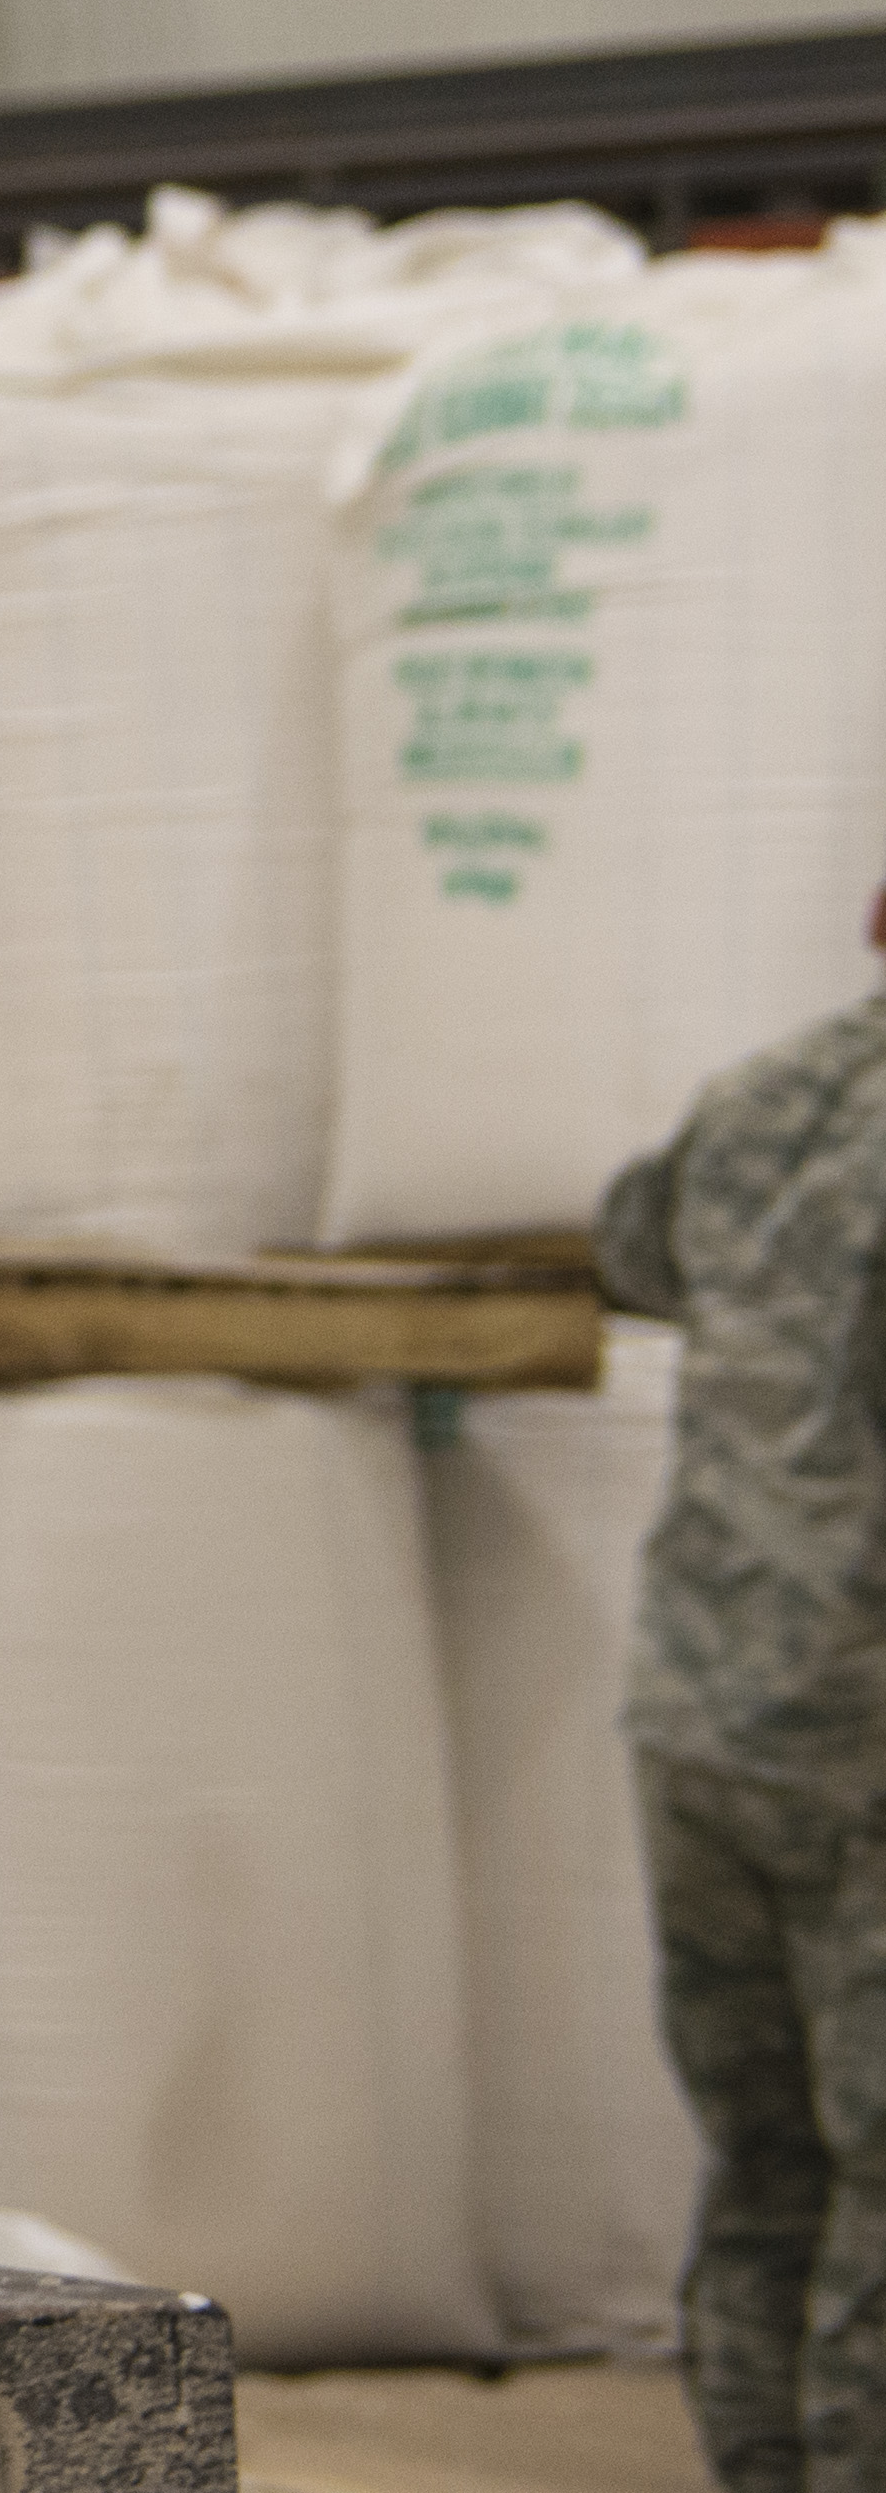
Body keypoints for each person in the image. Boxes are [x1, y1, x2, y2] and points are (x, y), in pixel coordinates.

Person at [590, 883, 886, 2493]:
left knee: (767, 2151)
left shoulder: (764, 1093)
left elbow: (630, 1251)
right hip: (867, 1739)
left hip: (703, 1711)